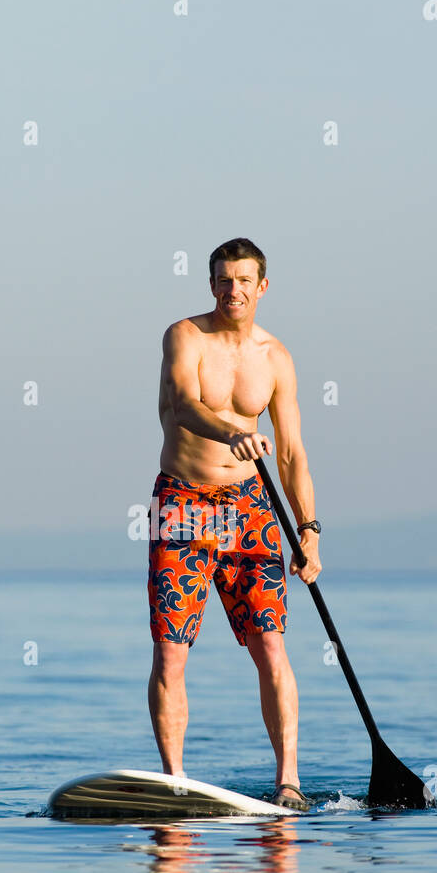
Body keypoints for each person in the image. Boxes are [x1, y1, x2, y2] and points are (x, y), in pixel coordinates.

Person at [148, 237, 322, 806]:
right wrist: (231, 432)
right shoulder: (185, 336)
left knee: (271, 645)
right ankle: (176, 781)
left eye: (244, 280)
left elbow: (292, 454)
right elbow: (179, 403)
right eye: (223, 280)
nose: (233, 290)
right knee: (171, 651)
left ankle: (288, 783)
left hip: (251, 510)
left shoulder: (277, 358)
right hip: (183, 505)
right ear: (211, 284)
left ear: (262, 286)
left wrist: (310, 530)